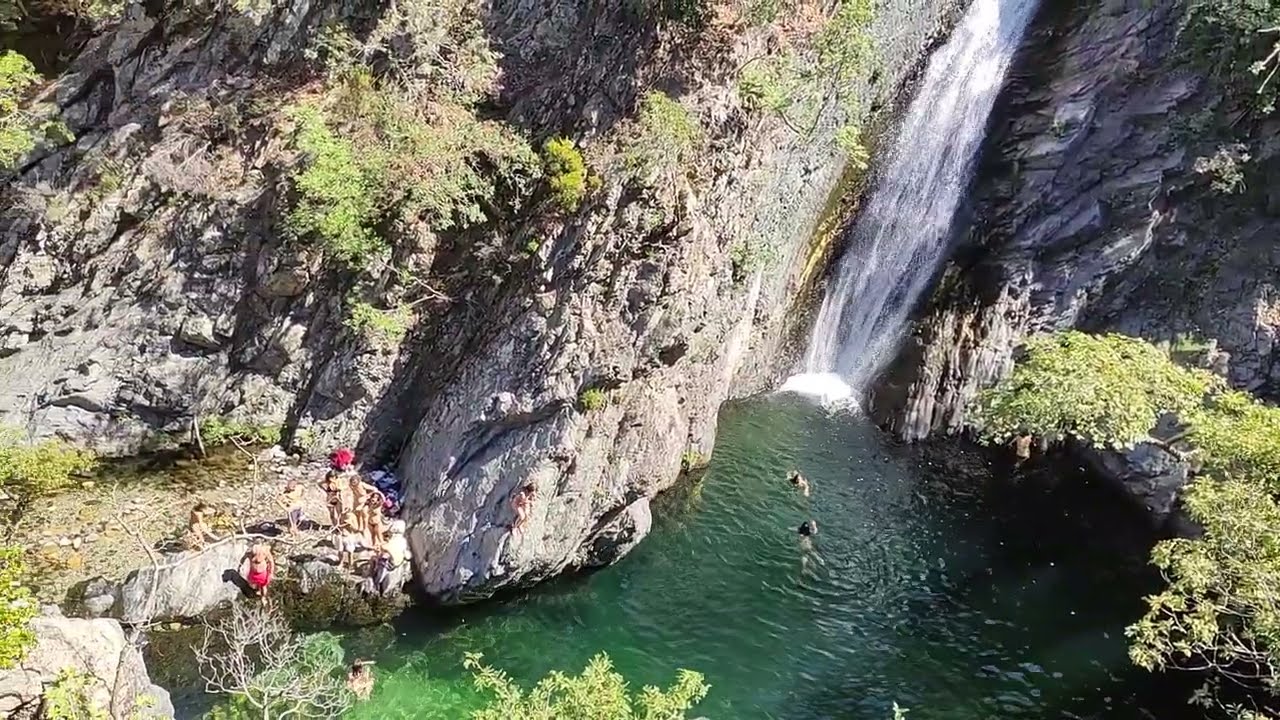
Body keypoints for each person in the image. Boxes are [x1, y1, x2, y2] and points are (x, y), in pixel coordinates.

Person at [373, 519, 411, 596]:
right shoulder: (403, 541)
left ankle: (377, 582)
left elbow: (385, 547)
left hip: (390, 564)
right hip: (398, 563)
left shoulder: (392, 541)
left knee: (382, 558)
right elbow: (408, 556)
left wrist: (380, 546)